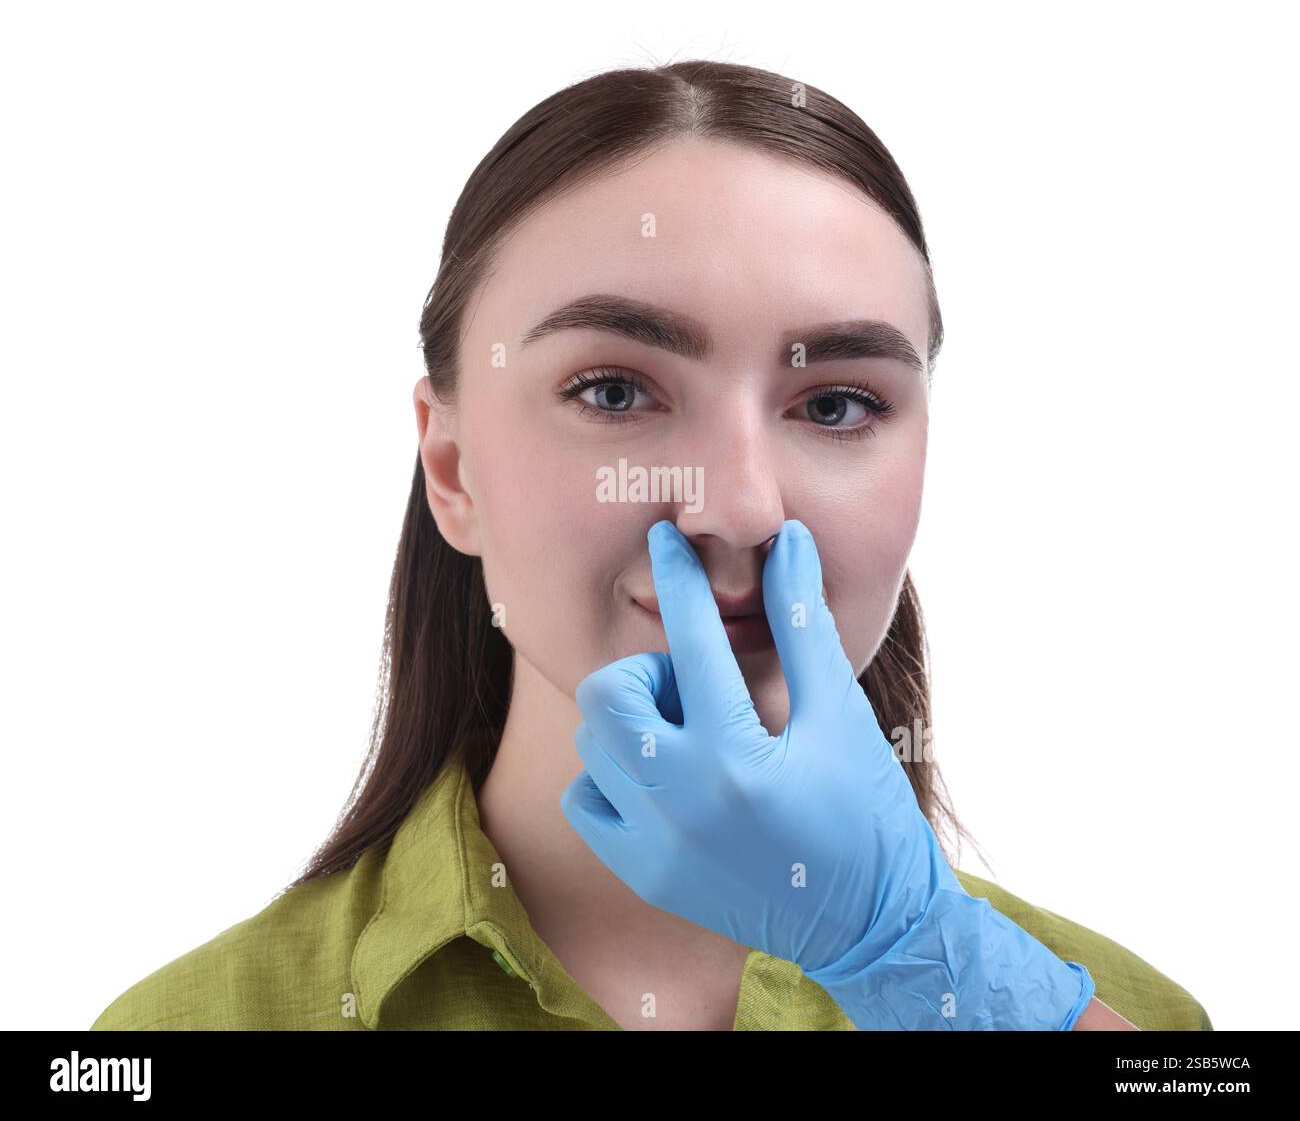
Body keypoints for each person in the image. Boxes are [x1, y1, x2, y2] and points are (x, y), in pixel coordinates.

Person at [91, 60, 1212, 1031]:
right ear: (451, 469)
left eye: (834, 405)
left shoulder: (1117, 1016)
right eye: (616, 390)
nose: (738, 507)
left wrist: (923, 964)